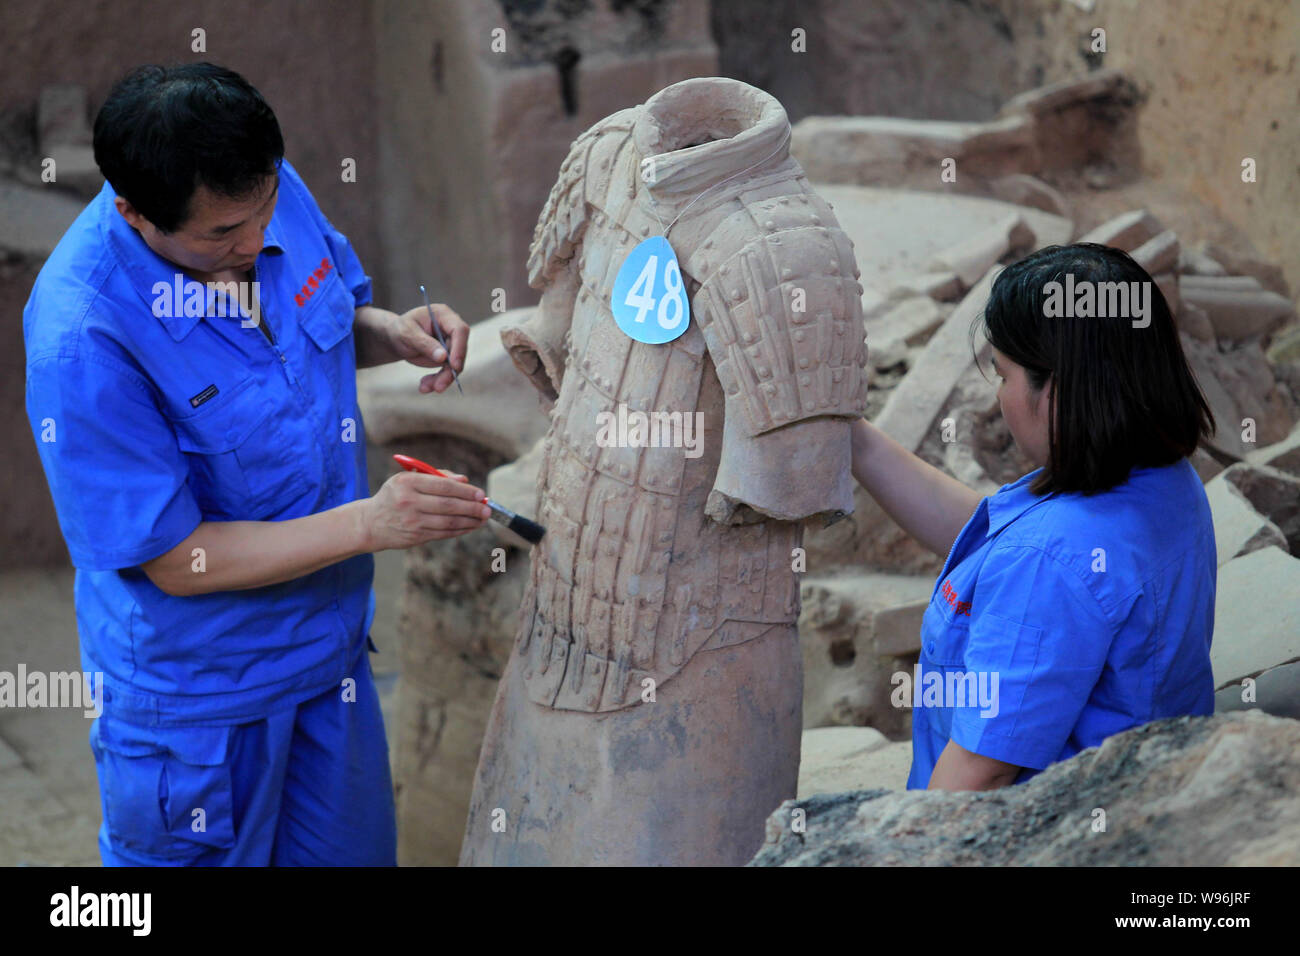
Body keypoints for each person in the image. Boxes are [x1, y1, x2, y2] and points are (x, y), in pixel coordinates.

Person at [23, 63, 490, 865]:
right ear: (133, 212)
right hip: (202, 705)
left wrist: (390, 330)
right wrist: (371, 523)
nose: (253, 244)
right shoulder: (83, 338)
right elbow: (175, 559)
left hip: (330, 660)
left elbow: (328, 315)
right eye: (219, 240)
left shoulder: (255, 188)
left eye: (262, 215)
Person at [850, 242, 1217, 791]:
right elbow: (998, 536)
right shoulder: (1161, 481)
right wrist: (856, 442)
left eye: (1003, 376)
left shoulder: (1049, 564)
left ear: (1058, 391)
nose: (999, 396)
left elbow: (976, 778)